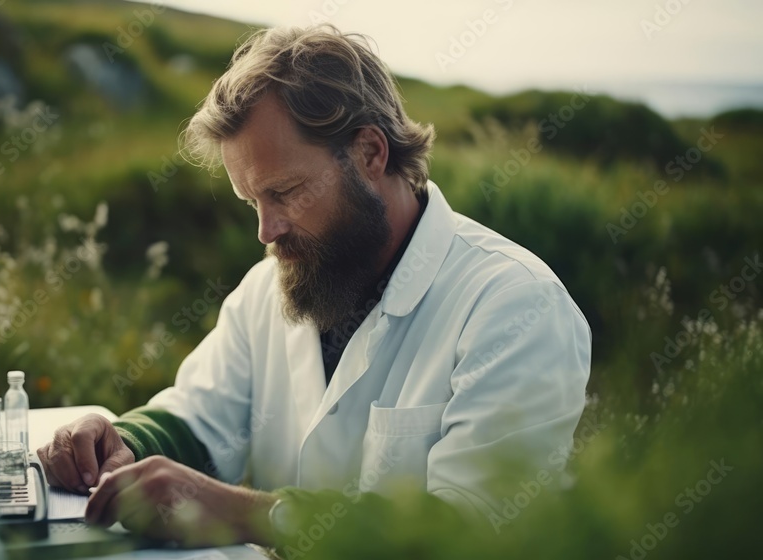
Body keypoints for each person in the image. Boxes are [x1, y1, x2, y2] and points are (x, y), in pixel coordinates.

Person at [37, 24, 591, 548]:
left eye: (286, 192)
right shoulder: (270, 287)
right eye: (252, 202)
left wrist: (247, 514)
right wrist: (120, 442)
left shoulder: (516, 305)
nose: (266, 231)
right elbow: (200, 420)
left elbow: (471, 531)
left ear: (370, 153)